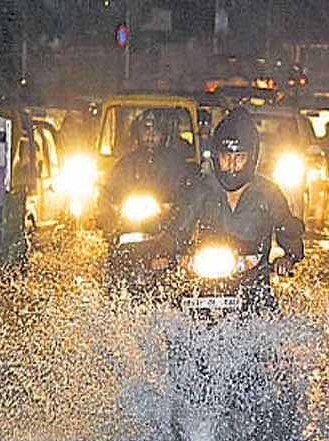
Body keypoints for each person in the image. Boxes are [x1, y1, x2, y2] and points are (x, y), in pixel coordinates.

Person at [166, 107, 304, 306]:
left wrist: (287, 259)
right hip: (202, 282)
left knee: (269, 315)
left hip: (252, 284)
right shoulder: (200, 189)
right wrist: (162, 252)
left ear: (251, 157)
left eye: (239, 158)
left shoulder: (269, 194)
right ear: (216, 157)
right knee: (173, 310)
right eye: (226, 157)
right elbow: (177, 230)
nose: (231, 165)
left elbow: (289, 234)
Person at [99, 108, 196, 227]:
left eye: (156, 131)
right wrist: (110, 202)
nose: (151, 135)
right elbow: (112, 187)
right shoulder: (127, 162)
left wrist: (172, 205)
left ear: (163, 134)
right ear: (139, 133)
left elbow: (185, 188)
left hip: (167, 223)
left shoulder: (174, 162)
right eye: (146, 130)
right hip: (129, 221)